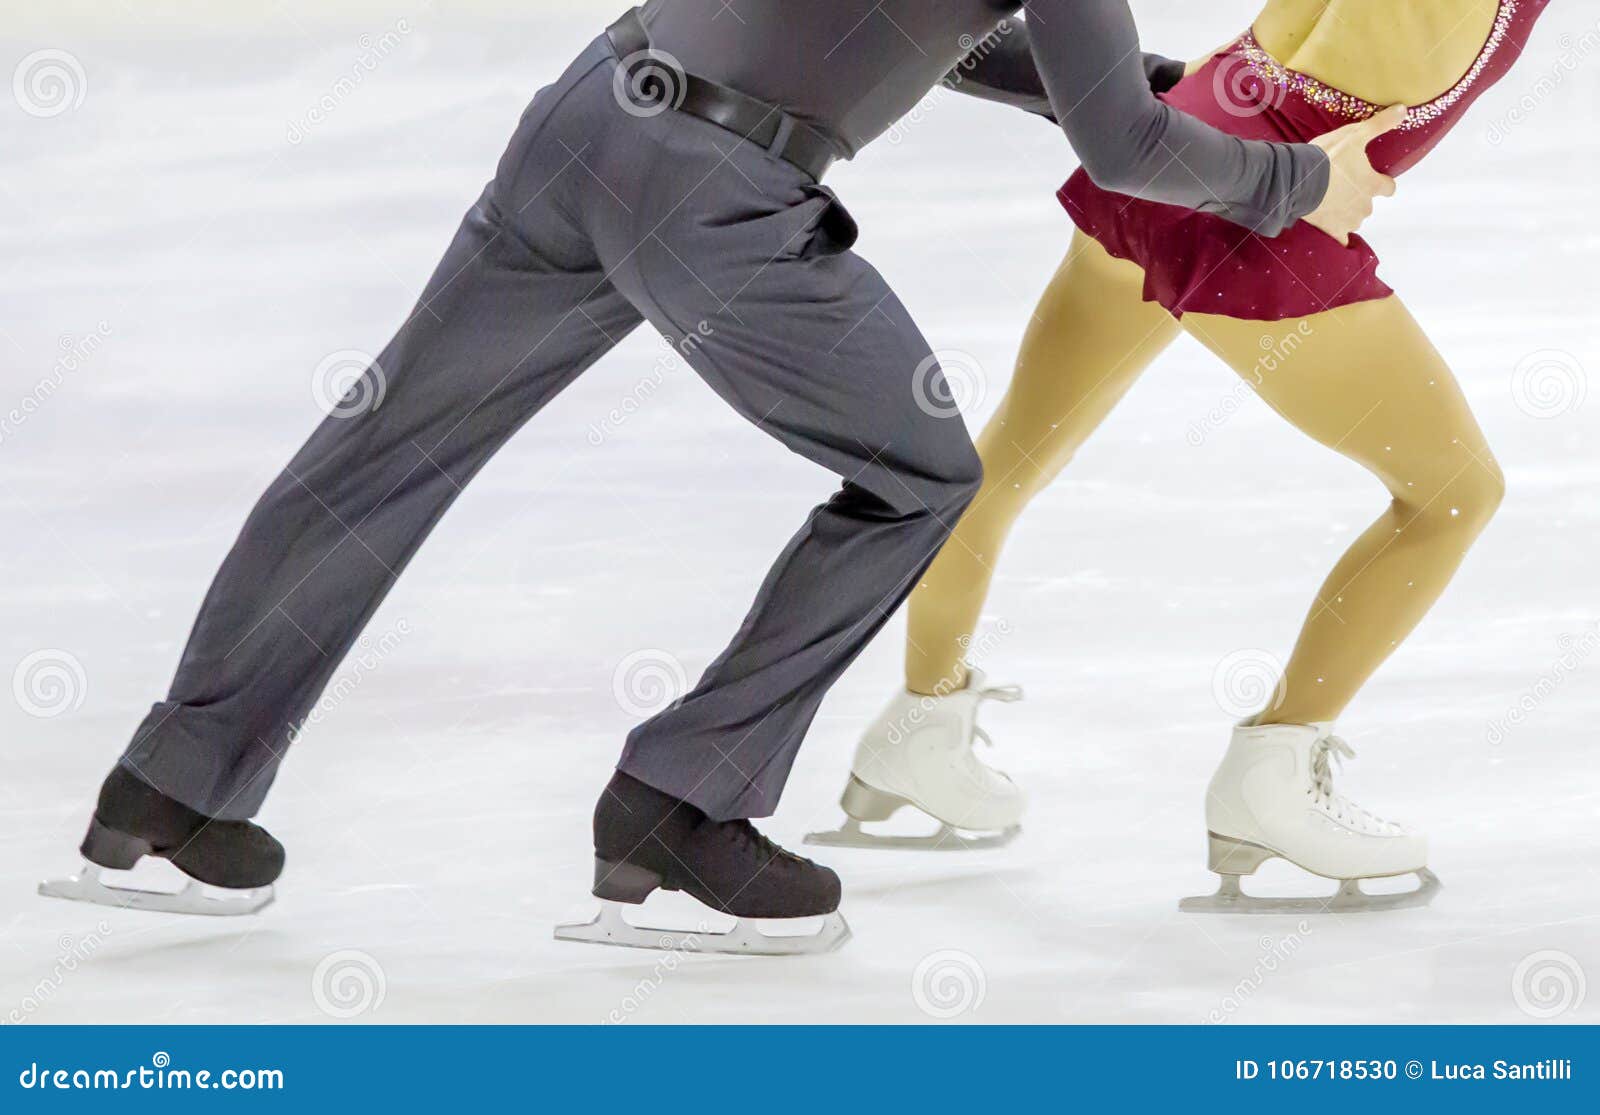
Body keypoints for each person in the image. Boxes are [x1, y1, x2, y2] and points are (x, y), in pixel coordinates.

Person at [44, 2, 1396, 950]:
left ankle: (170, 788)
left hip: (595, 110)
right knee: (921, 474)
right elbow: (1126, 155)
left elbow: (946, 31)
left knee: (380, 455)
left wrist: (1142, 75)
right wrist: (1293, 181)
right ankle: (684, 805)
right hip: (713, 188)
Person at [821, 0, 1548, 912]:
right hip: (1258, 198)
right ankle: (1272, 777)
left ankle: (920, 725)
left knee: (1010, 455)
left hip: (1184, 143)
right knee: (1453, 495)